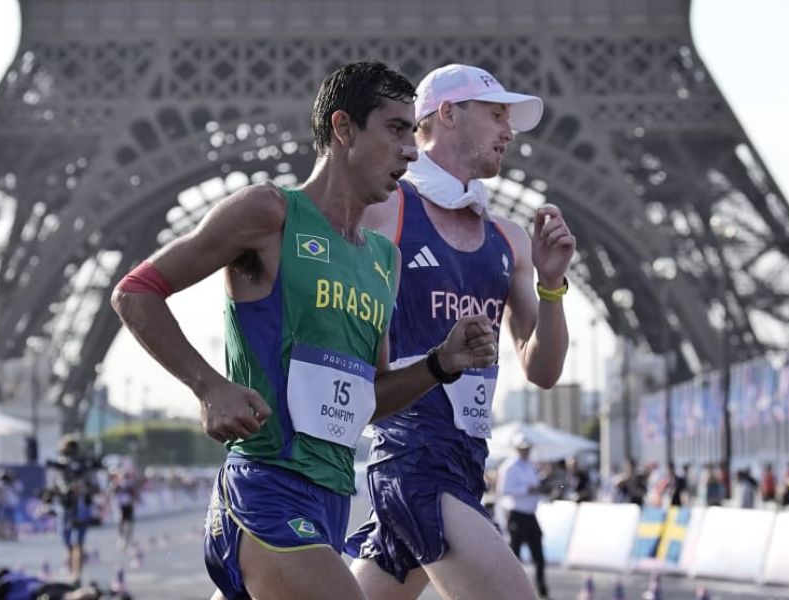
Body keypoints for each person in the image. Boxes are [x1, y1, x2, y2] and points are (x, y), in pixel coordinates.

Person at [111, 60, 499, 600]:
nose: (411, 151)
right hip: (265, 486)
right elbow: (135, 290)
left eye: (414, 132)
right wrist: (208, 386)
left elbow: (368, 398)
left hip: (332, 501)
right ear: (343, 129)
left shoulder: (385, 260)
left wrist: (440, 362)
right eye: (395, 129)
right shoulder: (270, 212)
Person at [343, 63, 573, 600]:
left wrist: (553, 284)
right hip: (413, 459)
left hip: (467, 460)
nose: (508, 131)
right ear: (446, 114)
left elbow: (543, 370)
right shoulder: (386, 211)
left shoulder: (509, 239)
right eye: (496, 114)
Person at [496, 436, 549, 599]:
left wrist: (540, 489)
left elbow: (535, 487)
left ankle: (542, 590)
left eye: (528, 448)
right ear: (517, 449)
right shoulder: (510, 467)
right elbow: (503, 490)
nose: (526, 451)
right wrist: (528, 489)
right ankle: (509, 591)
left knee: (539, 555)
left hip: (530, 514)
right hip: (517, 514)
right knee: (514, 556)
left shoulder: (530, 466)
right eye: (523, 448)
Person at [44, 435, 101, 586]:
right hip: (65, 507)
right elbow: (53, 486)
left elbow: (96, 486)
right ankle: (71, 569)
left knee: (79, 543)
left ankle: (77, 574)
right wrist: (62, 492)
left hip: (82, 507)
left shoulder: (85, 467)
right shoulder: (59, 467)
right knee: (67, 541)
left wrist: (83, 487)